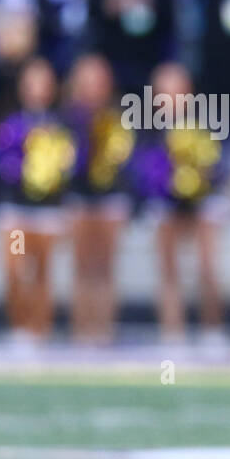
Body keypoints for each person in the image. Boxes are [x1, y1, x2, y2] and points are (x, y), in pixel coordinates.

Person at [131, 62, 227, 348]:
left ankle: (213, 332)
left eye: (176, 88)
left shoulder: (206, 118)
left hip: (203, 202)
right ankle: (173, 334)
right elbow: (140, 165)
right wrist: (160, 184)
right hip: (165, 205)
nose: (171, 95)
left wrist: (201, 181)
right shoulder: (147, 123)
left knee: (207, 267)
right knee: (168, 268)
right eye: (165, 89)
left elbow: (220, 160)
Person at [0, 58, 76, 348]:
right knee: (15, 269)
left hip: (47, 213)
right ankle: (19, 326)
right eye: (32, 82)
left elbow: (71, 168)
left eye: (44, 83)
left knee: (41, 271)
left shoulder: (60, 126)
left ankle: (40, 330)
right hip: (16, 213)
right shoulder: (9, 121)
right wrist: (16, 165)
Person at [64, 53, 134, 345]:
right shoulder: (67, 116)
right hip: (79, 198)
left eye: (99, 79)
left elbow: (128, 162)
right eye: (88, 79)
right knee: (81, 266)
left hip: (110, 200)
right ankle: (81, 331)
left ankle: (104, 330)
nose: (93, 85)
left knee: (104, 266)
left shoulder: (118, 116)